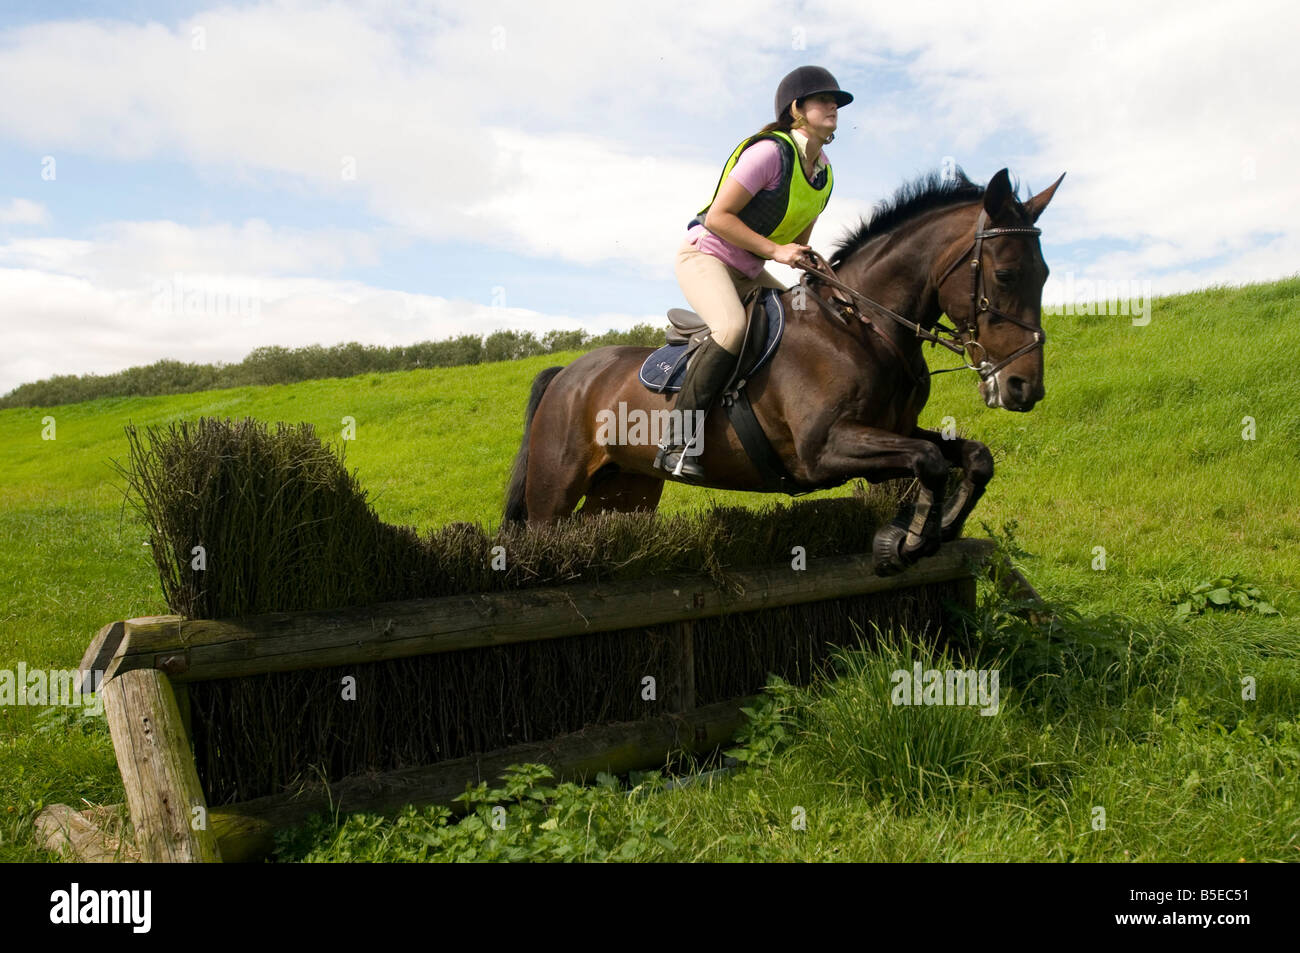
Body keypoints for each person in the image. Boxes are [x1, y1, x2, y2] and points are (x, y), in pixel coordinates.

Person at [655, 65, 853, 478]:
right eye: (822, 99)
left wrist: (821, 273)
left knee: (802, 320)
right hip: (705, 257)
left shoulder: (825, 175)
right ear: (797, 109)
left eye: (836, 100)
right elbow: (718, 218)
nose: (833, 105)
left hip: (748, 268)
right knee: (730, 330)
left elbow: (797, 244)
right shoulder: (768, 153)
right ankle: (676, 441)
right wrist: (777, 251)